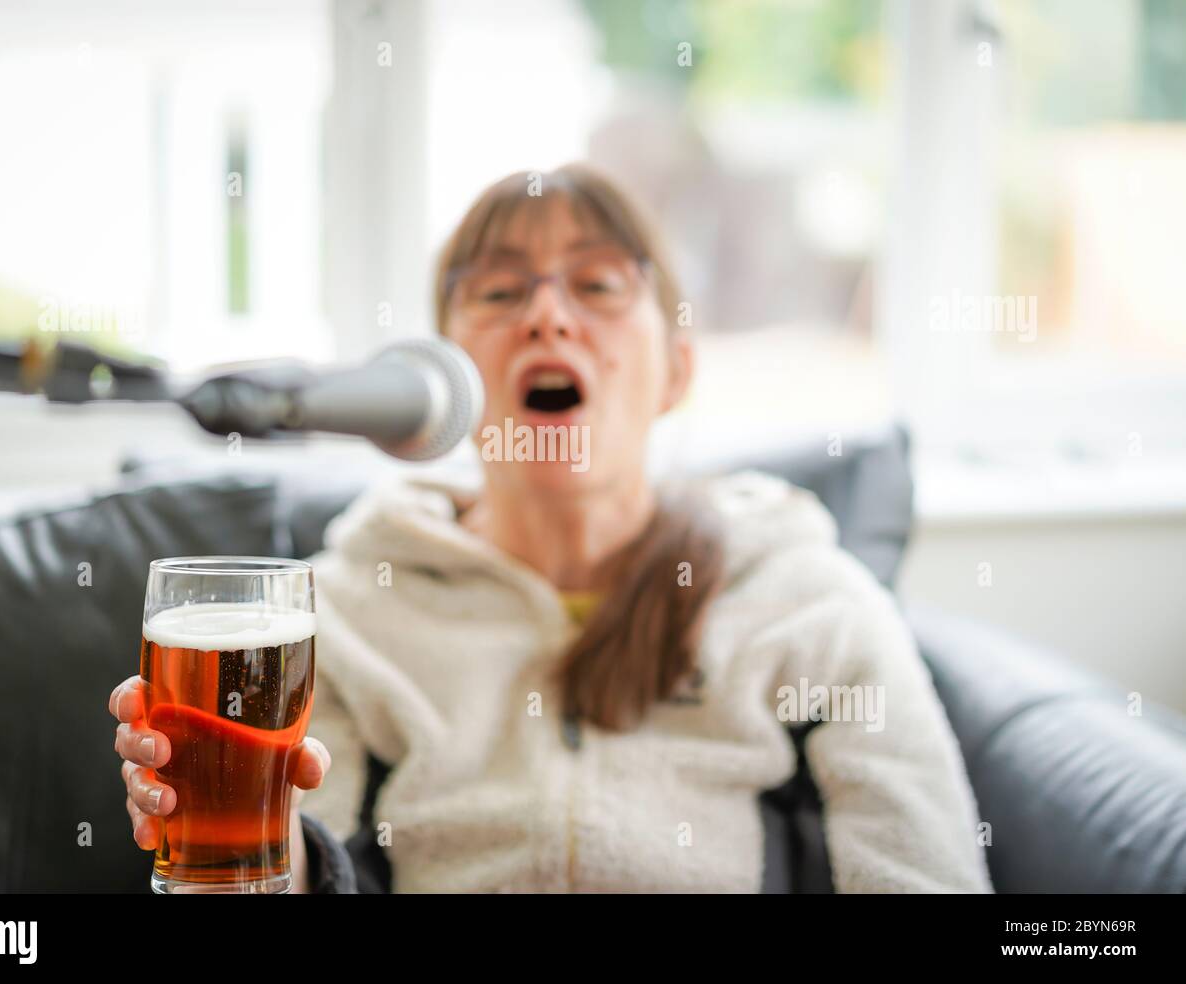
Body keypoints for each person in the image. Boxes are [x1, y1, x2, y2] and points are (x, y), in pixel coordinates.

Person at [110, 164, 992, 893]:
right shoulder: (340, 612)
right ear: (442, 383)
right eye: (499, 291)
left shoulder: (807, 599)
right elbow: (311, 868)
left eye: (599, 284)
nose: (546, 315)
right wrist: (253, 853)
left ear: (676, 370)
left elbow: (925, 873)